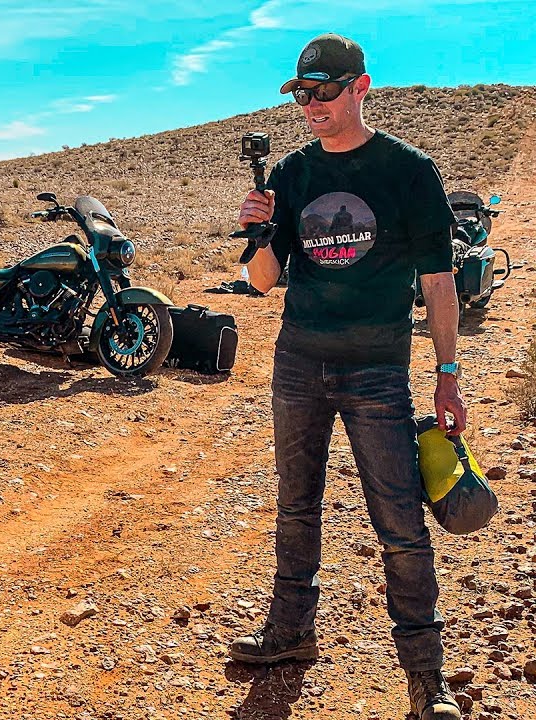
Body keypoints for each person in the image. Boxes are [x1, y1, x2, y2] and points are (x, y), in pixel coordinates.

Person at [230, 33, 467, 720]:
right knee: (295, 505)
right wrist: (260, 233)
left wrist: (447, 374)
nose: (312, 106)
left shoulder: (407, 171)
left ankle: (426, 677)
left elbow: (440, 281)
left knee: (399, 521)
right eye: (302, 94)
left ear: (361, 88)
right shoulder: (293, 176)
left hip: (378, 368)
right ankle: (289, 633)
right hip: (299, 361)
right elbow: (262, 283)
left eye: (324, 91)